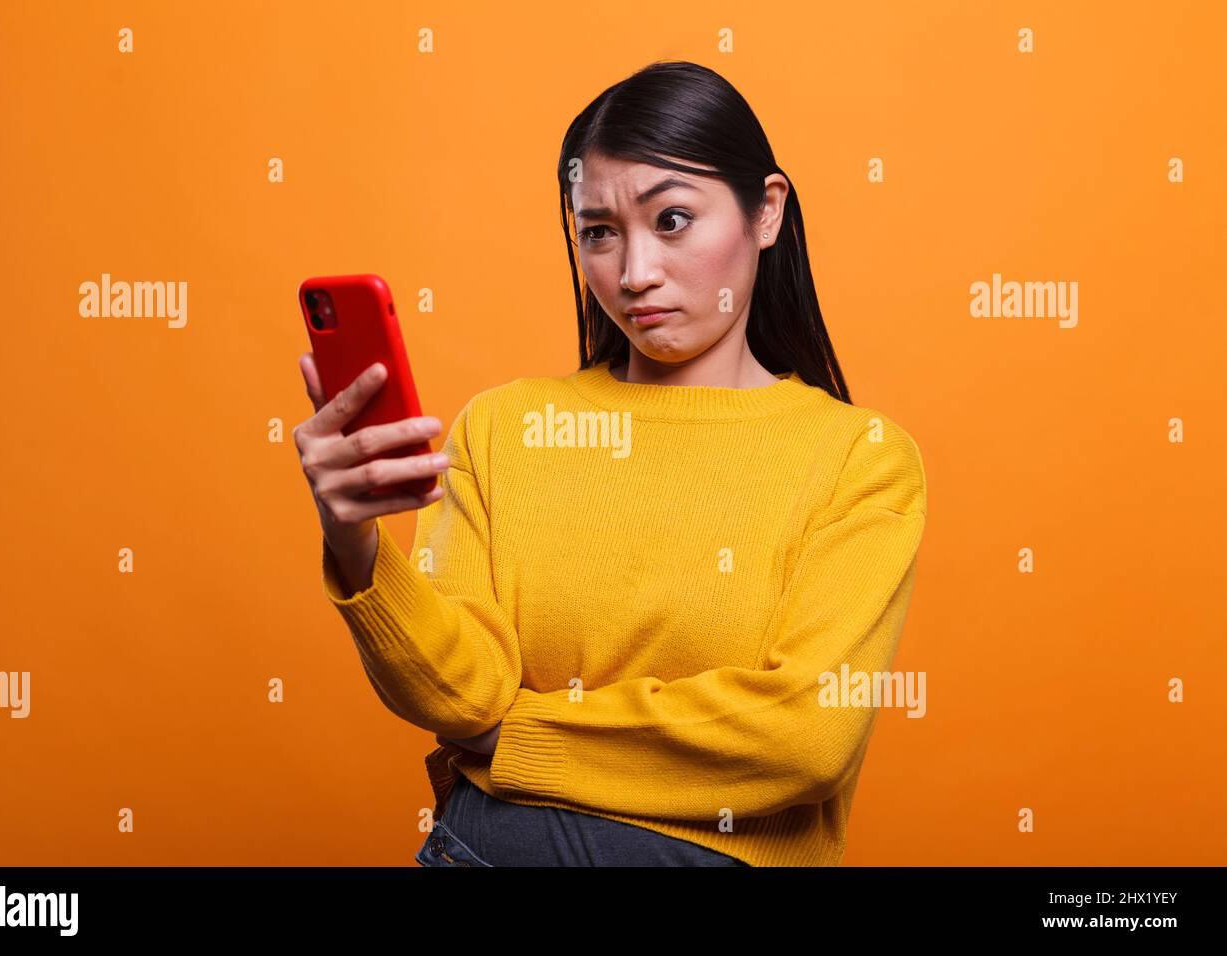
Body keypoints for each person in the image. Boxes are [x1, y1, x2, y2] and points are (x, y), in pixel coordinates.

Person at [293, 60, 927, 867]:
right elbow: (459, 694)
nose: (633, 275)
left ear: (765, 211)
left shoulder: (859, 459)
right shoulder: (502, 427)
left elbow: (805, 737)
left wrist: (511, 740)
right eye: (598, 232)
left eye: (671, 221)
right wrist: (357, 548)